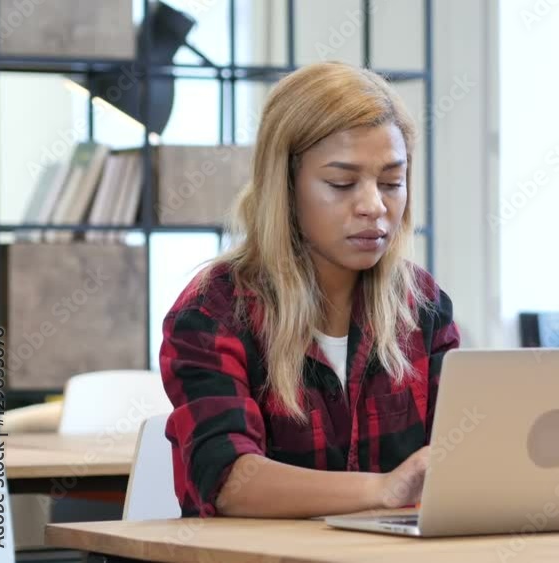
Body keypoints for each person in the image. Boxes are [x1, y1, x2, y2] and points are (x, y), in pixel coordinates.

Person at [158, 61, 461, 519]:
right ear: (285, 187)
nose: (374, 206)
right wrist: (384, 489)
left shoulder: (423, 307)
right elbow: (229, 481)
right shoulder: (214, 310)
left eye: (391, 183)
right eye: (342, 183)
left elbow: (465, 459)